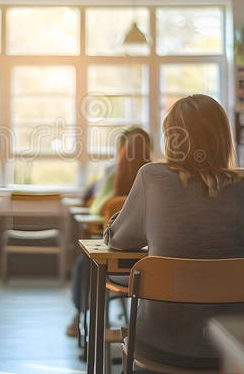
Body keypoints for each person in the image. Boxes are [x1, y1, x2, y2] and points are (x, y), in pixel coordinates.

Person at [105, 95, 244, 368]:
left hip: (160, 342)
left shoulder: (152, 177)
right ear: (223, 137)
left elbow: (119, 240)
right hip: (235, 346)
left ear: (171, 137)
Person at [68, 127, 152, 336]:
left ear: (122, 149)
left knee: (86, 262)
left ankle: (79, 316)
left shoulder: (113, 174)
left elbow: (97, 209)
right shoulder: (159, 179)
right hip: (151, 262)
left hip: (116, 260)